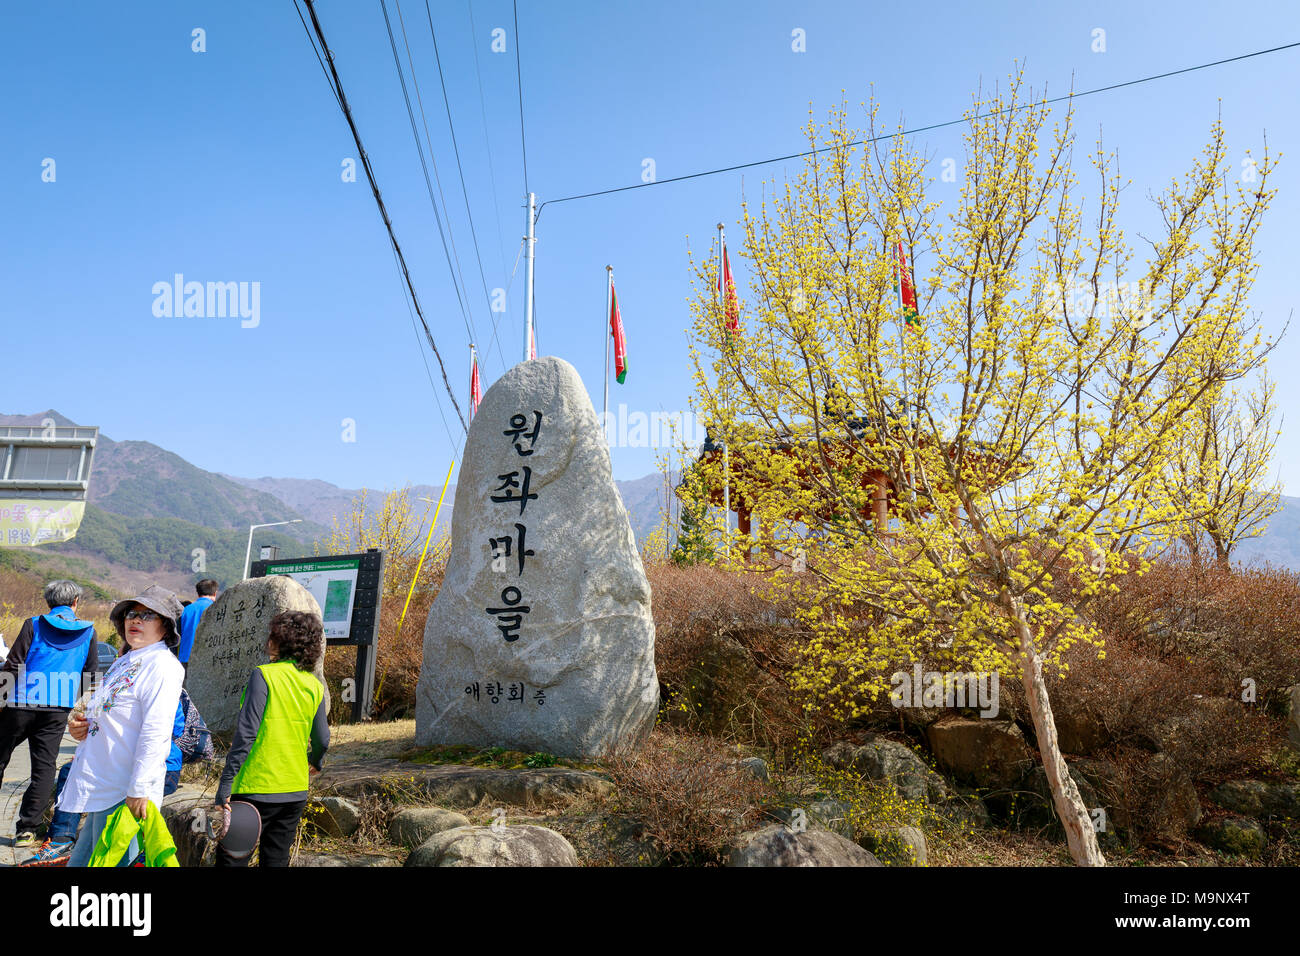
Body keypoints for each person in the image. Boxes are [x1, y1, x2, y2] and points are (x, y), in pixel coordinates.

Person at [61, 585, 185, 867]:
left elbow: (156, 730)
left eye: (148, 615)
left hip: (127, 791)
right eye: (131, 613)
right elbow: (109, 715)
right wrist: (81, 727)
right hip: (102, 784)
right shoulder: (126, 660)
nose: (136, 620)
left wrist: (139, 788)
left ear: (166, 628)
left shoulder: (163, 667)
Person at [214, 610, 329, 868]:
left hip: (255, 788)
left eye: (272, 635)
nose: (268, 640)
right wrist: (316, 761)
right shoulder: (313, 685)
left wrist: (226, 784)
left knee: (232, 859)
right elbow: (322, 738)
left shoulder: (263, 675)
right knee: (276, 859)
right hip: (294, 789)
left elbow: (246, 735)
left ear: (281, 640)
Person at [0, 580, 98, 848]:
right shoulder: (89, 631)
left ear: (48, 601)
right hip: (56, 710)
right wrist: (69, 698)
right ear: (75, 602)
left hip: (20, 703)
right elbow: (91, 672)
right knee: (43, 769)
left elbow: (14, 663)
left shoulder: (34, 623)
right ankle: (27, 831)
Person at [176, 579, 219, 671]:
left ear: (198, 592)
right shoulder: (217, 609)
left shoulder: (186, 609)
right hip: (207, 658)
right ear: (215, 593)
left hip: (184, 657)